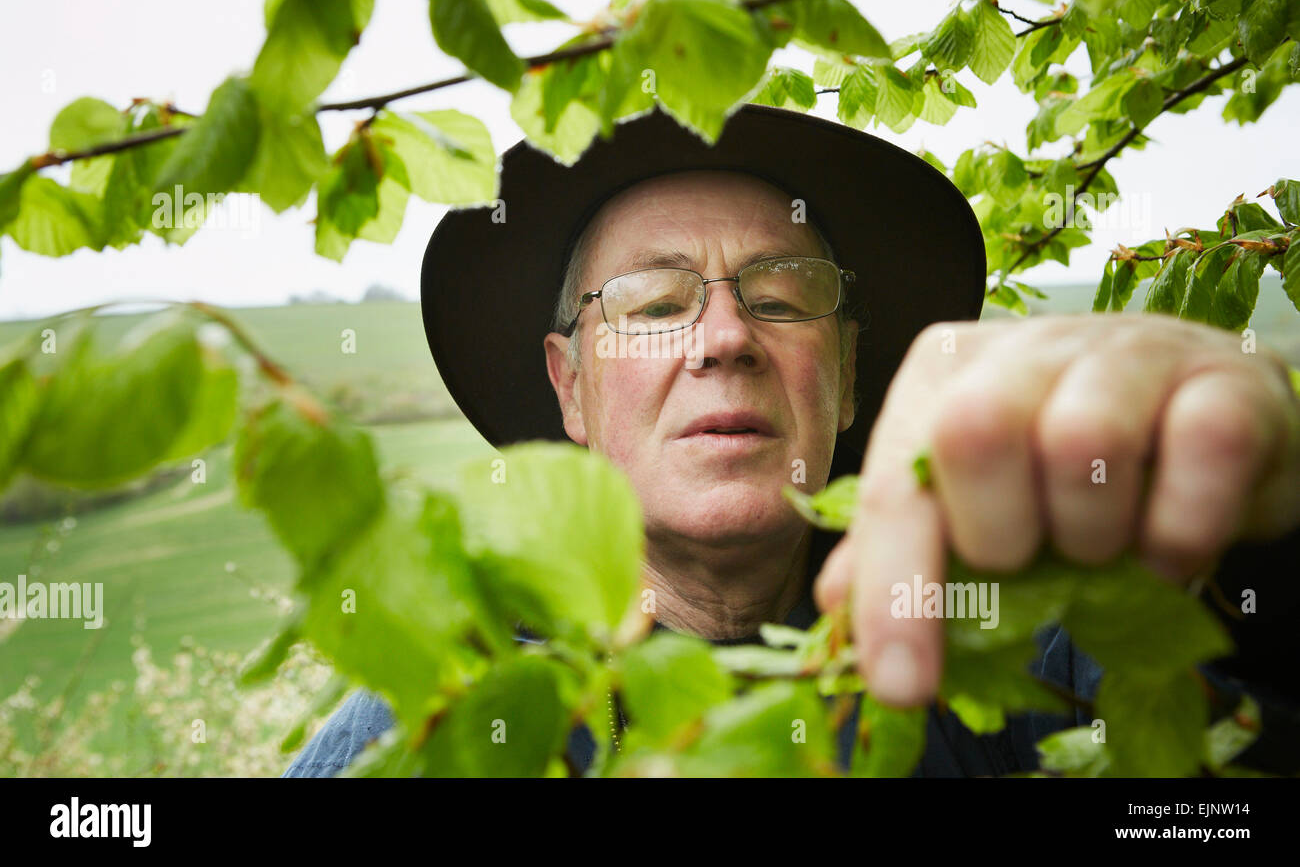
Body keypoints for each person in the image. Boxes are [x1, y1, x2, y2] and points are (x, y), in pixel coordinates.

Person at [283, 105, 1300, 777]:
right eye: (653, 301)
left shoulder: (1014, 648)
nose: (725, 337)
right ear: (571, 386)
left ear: (850, 377)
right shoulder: (430, 727)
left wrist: (1259, 531)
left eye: (782, 294)